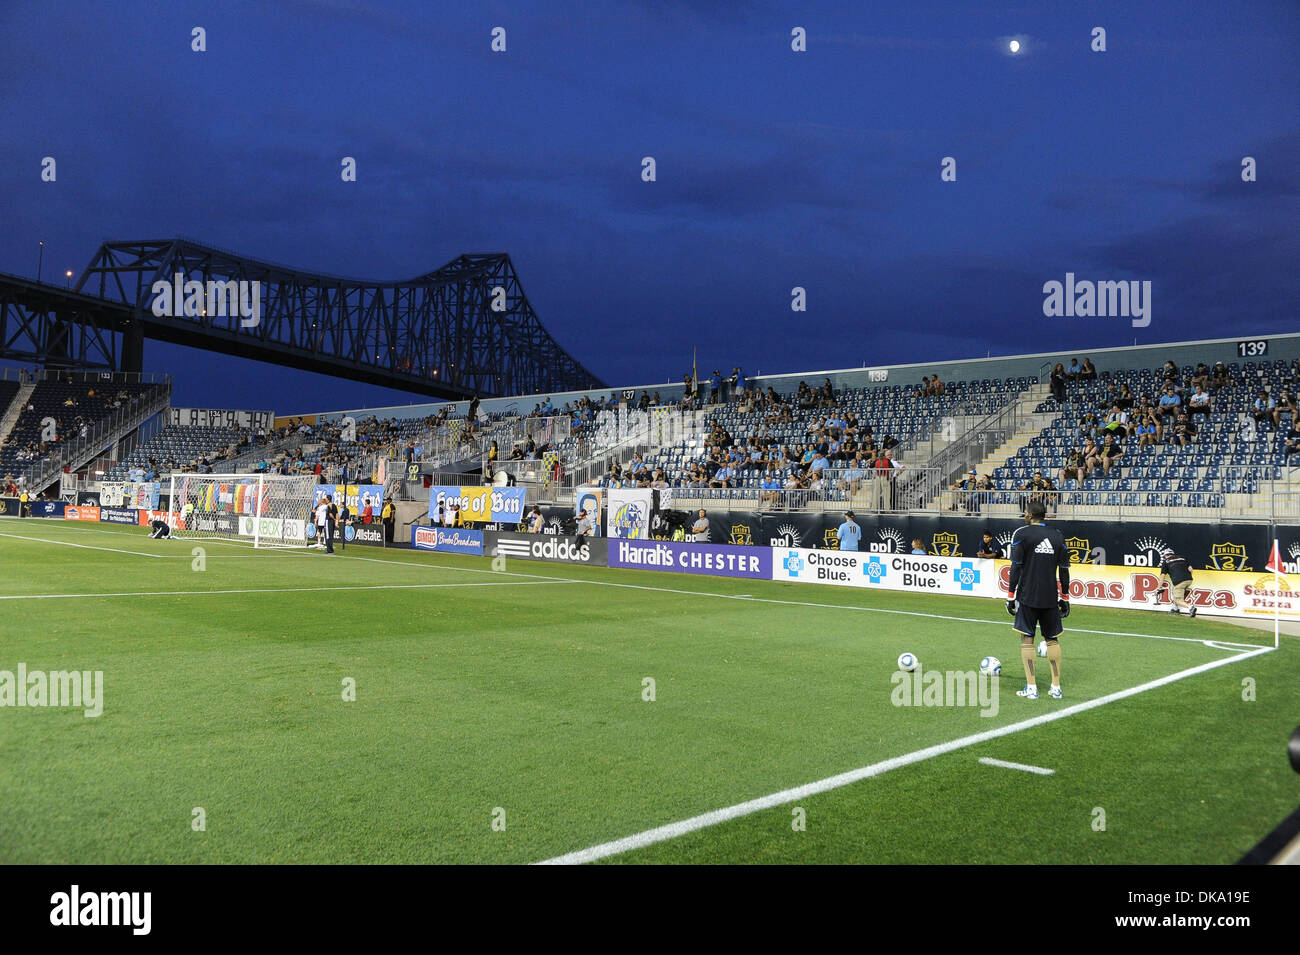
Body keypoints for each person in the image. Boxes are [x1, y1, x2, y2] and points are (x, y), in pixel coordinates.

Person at [1005, 500, 1070, 701]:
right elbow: (1065, 570)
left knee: (1027, 639)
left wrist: (1010, 596)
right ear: (1045, 515)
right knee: (1052, 639)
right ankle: (1056, 687)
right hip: (1050, 596)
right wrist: (1065, 597)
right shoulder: (1058, 536)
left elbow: (1016, 567)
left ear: (1028, 514)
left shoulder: (1021, 534)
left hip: (1028, 595)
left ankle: (1032, 688)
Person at [1159, 548, 1196, 617]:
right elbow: (1191, 569)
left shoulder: (1166, 562)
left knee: (1179, 600)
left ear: (1165, 555)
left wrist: (1158, 587)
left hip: (1179, 581)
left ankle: (1191, 608)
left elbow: (1162, 576)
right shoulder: (1183, 558)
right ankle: (1175, 609)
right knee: (1175, 593)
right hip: (1189, 580)